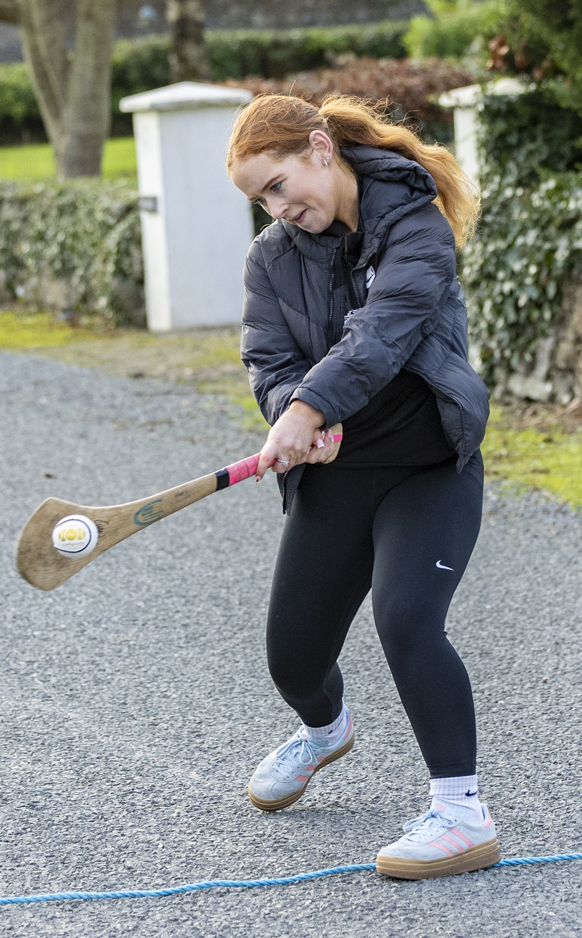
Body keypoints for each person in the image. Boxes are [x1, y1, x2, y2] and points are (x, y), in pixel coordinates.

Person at [228, 94, 496, 880]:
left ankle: (461, 815)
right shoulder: (271, 259)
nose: (279, 208)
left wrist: (311, 405)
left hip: (428, 467)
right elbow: (268, 365)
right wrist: (293, 414)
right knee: (292, 662)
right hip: (337, 477)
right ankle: (324, 730)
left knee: (407, 619)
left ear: (320, 148)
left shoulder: (415, 222)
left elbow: (382, 332)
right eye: (261, 199)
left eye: (280, 184)